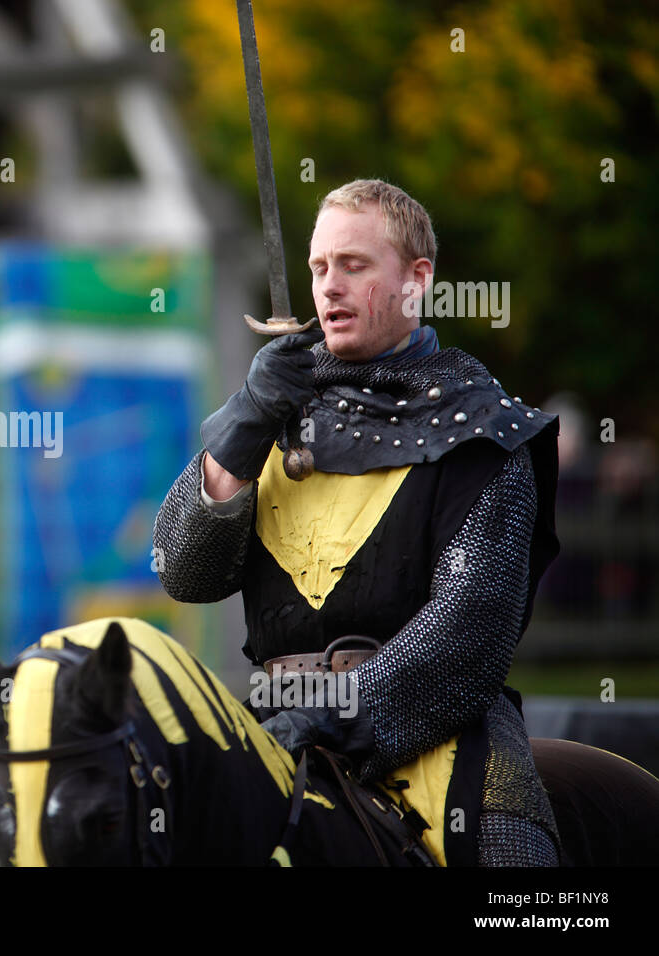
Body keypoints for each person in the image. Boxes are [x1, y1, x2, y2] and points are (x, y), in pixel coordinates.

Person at [152, 179, 562, 866]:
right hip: (271, 725)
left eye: (354, 265)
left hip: (440, 740)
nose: (329, 286)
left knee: (510, 869)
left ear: (416, 280)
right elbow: (185, 573)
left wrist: (326, 718)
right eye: (318, 268)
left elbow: (469, 635)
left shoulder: (484, 428)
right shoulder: (269, 415)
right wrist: (242, 429)